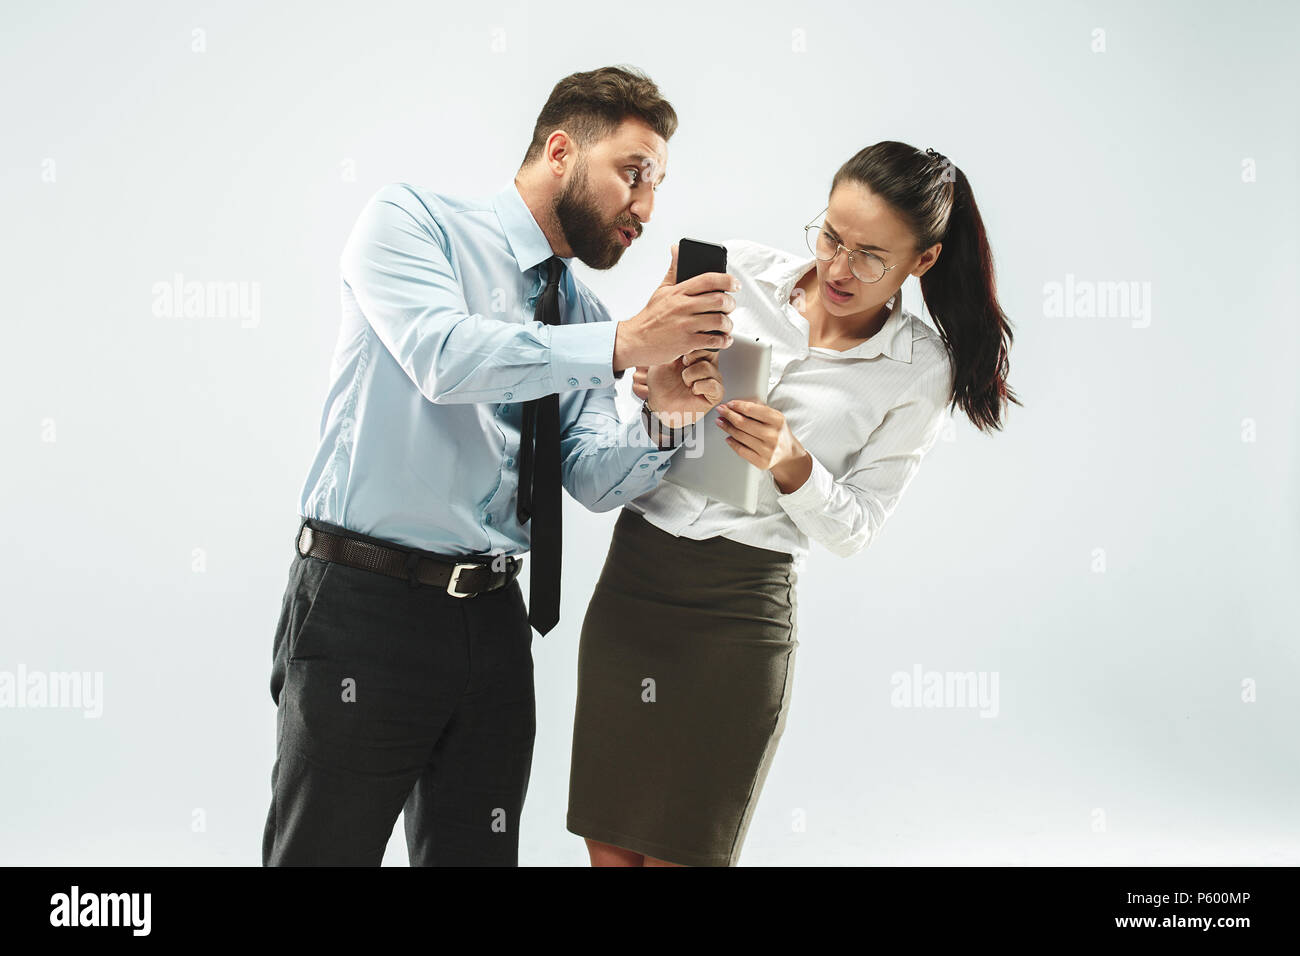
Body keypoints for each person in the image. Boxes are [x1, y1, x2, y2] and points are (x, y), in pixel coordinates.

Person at [262, 65, 735, 866]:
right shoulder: (412, 221)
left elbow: (585, 476)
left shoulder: (580, 313)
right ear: (560, 151)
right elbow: (445, 360)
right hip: (364, 604)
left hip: (492, 621)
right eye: (634, 174)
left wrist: (664, 418)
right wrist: (623, 345)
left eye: (656, 187)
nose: (645, 211)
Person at [567, 141, 1021, 866]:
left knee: (685, 849)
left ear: (923, 262)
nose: (839, 268)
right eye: (832, 236)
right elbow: (635, 399)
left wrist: (792, 464)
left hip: (741, 614)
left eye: (872, 256)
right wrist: (658, 389)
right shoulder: (729, 270)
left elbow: (858, 528)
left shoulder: (919, 368)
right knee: (611, 849)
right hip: (637, 583)